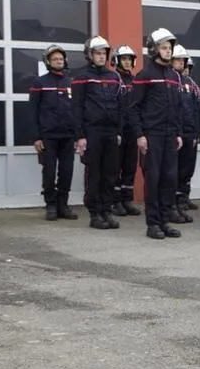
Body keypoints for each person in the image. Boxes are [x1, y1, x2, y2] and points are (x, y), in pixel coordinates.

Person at [128, 28, 184, 240]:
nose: (168, 52)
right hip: (152, 135)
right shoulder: (145, 75)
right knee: (153, 179)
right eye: (164, 48)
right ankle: (153, 224)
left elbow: (177, 107)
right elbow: (133, 108)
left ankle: (165, 220)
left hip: (170, 135)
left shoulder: (173, 76)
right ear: (154, 49)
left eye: (170, 48)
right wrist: (140, 135)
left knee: (169, 179)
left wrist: (178, 133)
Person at [72, 35, 124, 231]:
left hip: (110, 132)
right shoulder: (82, 78)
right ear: (89, 55)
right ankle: (95, 213)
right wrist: (80, 136)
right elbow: (76, 108)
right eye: (98, 53)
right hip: (92, 132)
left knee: (110, 174)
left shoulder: (114, 77)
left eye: (104, 53)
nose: (102, 57)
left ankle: (107, 210)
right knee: (94, 174)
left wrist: (118, 131)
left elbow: (120, 107)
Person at [29, 44, 78, 222]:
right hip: (48, 137)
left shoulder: (71, 82)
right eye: (55, 59)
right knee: (49, 173)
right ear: (48, 62)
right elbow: (32, 112)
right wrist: (36, 137)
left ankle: (63, 205)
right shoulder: (40, 83)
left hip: (68, 137)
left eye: (61, 59)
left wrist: (77, 135)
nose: (59, 61)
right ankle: (50, 205)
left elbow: (77, 110)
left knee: (66, 172)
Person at [111, 44, 142, 217]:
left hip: (133, 130)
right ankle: (115, 201)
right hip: (118, 130)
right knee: (116, 166)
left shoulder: (136, 80)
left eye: (130, 59)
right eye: (124, 59)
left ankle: (126, 200)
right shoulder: (114, 79)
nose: (128, 62)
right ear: (116, 60)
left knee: (130, 166)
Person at [171, 44, 200, 225]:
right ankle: (171, 206)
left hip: (190, 133)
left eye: (183, 60)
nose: (182, 63)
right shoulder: (170, 81)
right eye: (178, 60)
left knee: (185, 171)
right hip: (175, 134)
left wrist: (197, 133)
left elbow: (197, 108)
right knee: (172, 172)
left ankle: (181, 204)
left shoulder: (190, 83)